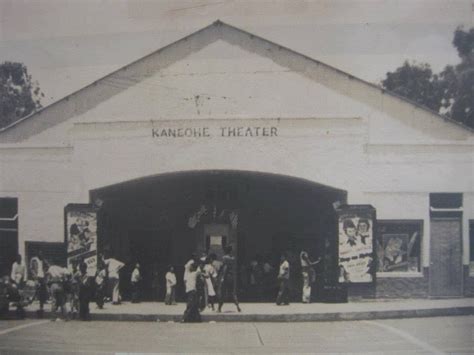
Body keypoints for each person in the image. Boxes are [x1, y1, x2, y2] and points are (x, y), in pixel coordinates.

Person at [217, 246, 241, 313]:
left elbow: (225, 267)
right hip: (232, 277)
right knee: (232, 293)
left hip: (226, 276)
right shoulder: (233, 258)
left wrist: (222, 277)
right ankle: (238, 307)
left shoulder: (224, 258)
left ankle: (219, 308)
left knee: (223, 293)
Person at [30, 251, 48, 318]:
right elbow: (31, 269)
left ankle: (41, 307)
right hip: (37, 277)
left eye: (42, 255)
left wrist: (45, 271)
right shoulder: (34, 260)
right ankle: (36, 305)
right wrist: (34, 276)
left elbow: (48, 266)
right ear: (38, 255)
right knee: (37, 292)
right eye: (40, 255)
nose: (41, 256)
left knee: (42, 293)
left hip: (42, 277)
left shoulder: (43, 260)